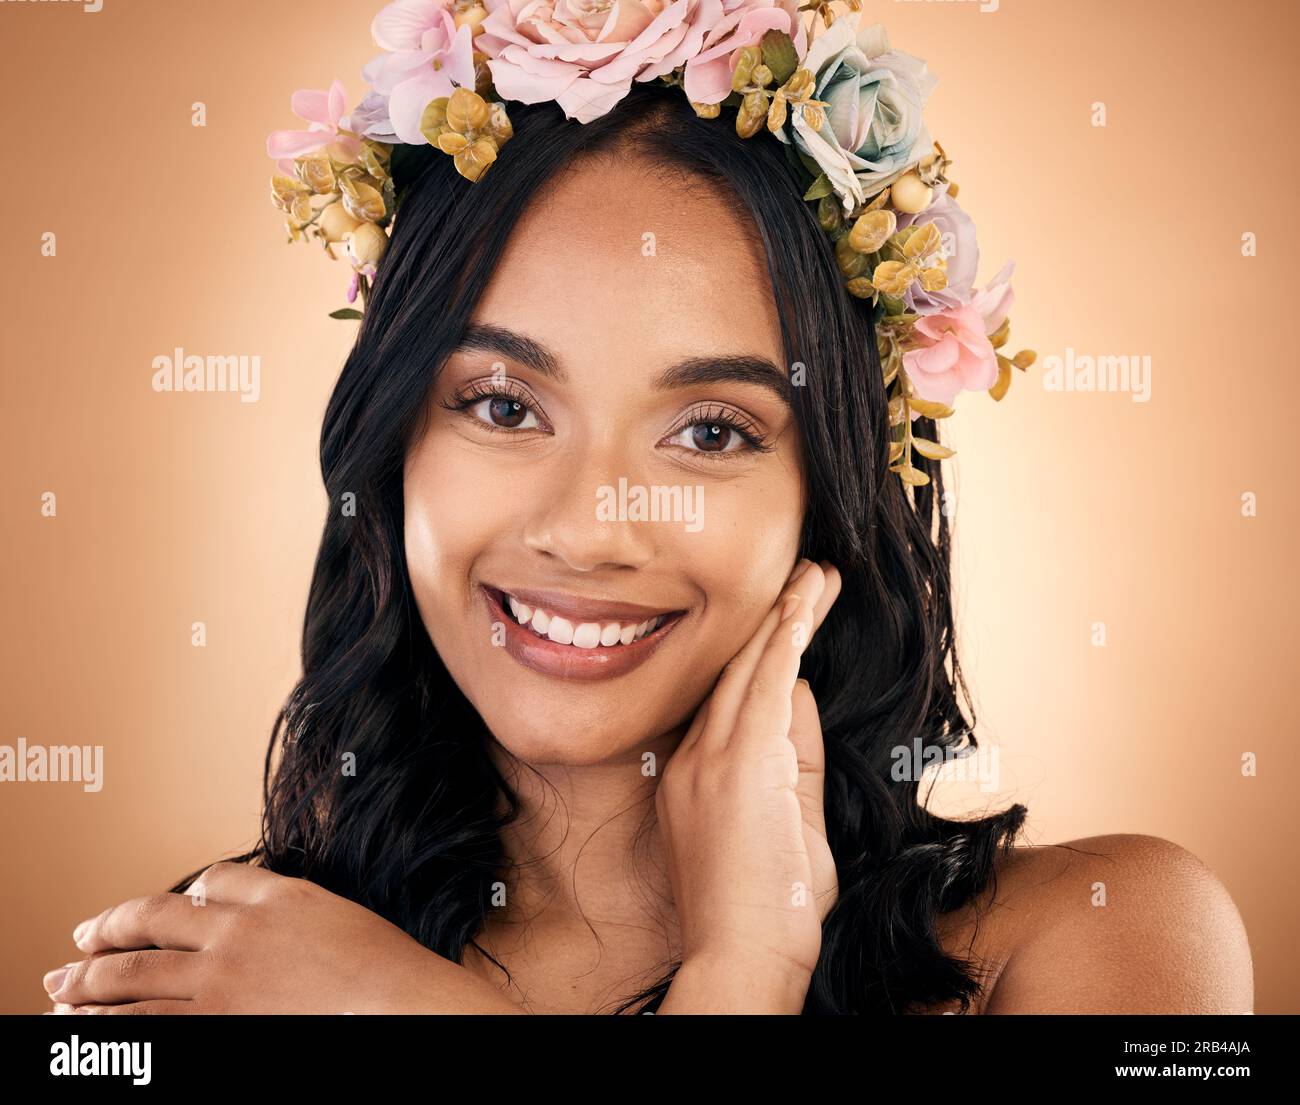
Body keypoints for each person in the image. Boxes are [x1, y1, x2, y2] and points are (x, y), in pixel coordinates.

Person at [41, 6, 1252, 1016]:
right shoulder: (219, 973)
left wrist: (740, 966)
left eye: (711, 431)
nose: (588, 526)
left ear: (828, 490)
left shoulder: (1110, 941)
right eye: (504, 405)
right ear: (396, 437)